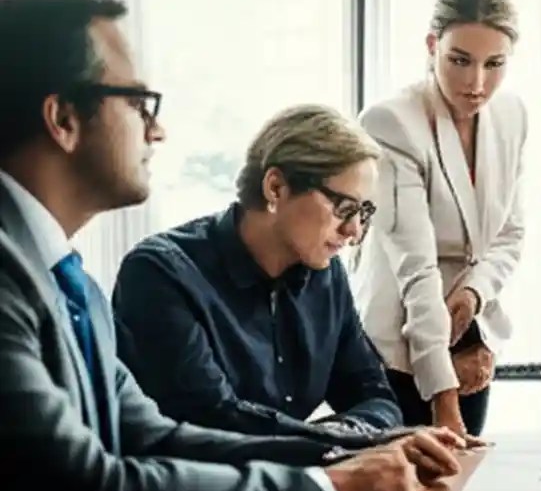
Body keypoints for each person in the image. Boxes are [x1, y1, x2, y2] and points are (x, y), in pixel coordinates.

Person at [0, 0, 462, 491]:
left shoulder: (66, 278)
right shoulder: (21, 280)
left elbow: (155, 436)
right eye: (139, 103)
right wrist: (333, 490)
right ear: (63, 119)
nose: (157, 130)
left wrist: (351, 452)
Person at [113, 104, 404, 445]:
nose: (354, 231)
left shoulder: (324, 272)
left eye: (364, 212)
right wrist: (343, 442)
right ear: (276, 188)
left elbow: (376, 398)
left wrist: (339, 437)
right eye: (344, 207)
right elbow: (214, 421)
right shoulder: (159, 273)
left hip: (296, 483)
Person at [351, 0, 527, 437]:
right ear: (432, 45)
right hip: (400, 348)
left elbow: (510, 233)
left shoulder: (512, 117)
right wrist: (443, 399)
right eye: (460, 60)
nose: (476, 82)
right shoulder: (392, 123)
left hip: (472, 334)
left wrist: (475, 293)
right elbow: (416, 268)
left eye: (494, 64)